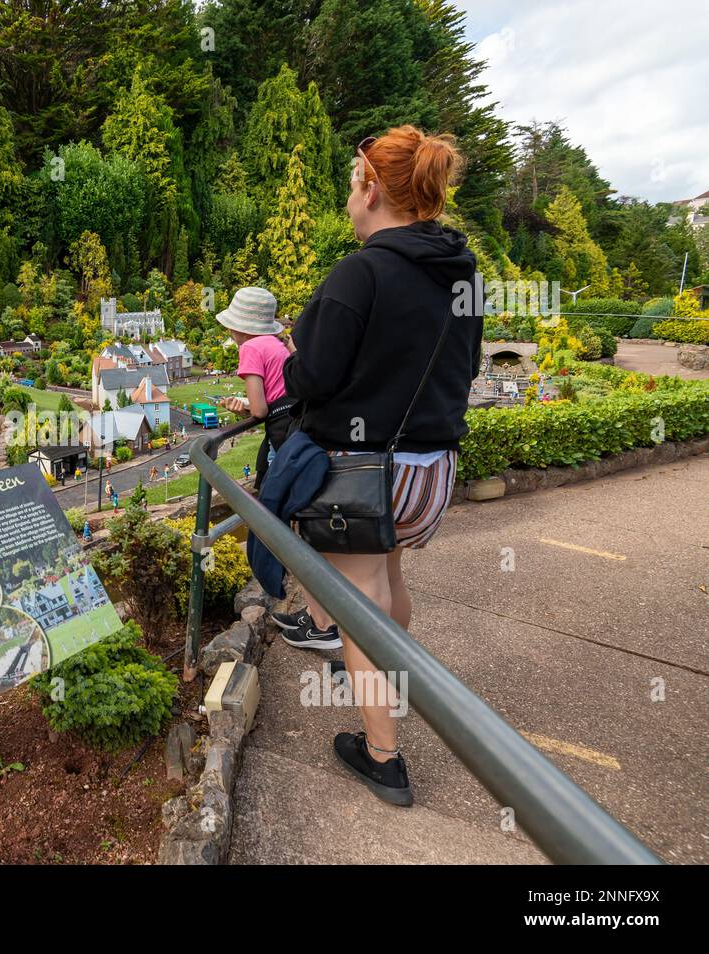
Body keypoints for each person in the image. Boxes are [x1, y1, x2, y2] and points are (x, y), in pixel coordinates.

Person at [274, 126, 481, 807]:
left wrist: (294, 357)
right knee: (386, 583)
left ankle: (383, 755)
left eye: (349, 184)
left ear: (371, 188)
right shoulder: (463, 269)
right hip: (430, 472)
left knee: (358, 606)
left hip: (367, 477)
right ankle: (381, 677)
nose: (345, 198)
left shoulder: (360, 271)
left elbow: (314, 378)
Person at [214, 286, 291, 474]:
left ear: (241, 327)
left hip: (281, 431)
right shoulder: (277, 343)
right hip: (295, 424)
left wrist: (242, 408)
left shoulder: (250, 348)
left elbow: (260, 410)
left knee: (274, 494)